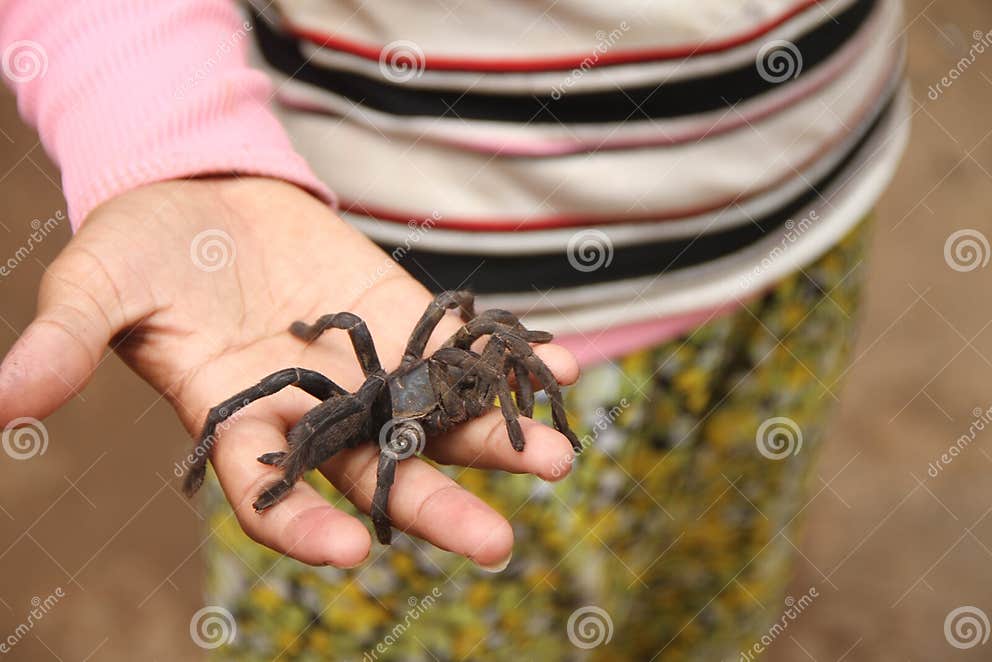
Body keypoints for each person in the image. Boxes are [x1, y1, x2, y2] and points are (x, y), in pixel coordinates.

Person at [0, 0, 907, 659]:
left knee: (697, 584)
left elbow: (472, 332)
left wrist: (513, 405)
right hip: (362, 296)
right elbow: (384, 413)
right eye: (474, 388)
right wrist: (159, 141)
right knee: (304, 416)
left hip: (806, 198)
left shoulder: (456, 359)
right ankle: (221, 459)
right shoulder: (386, 395)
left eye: (478, 381)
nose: (477, 386)